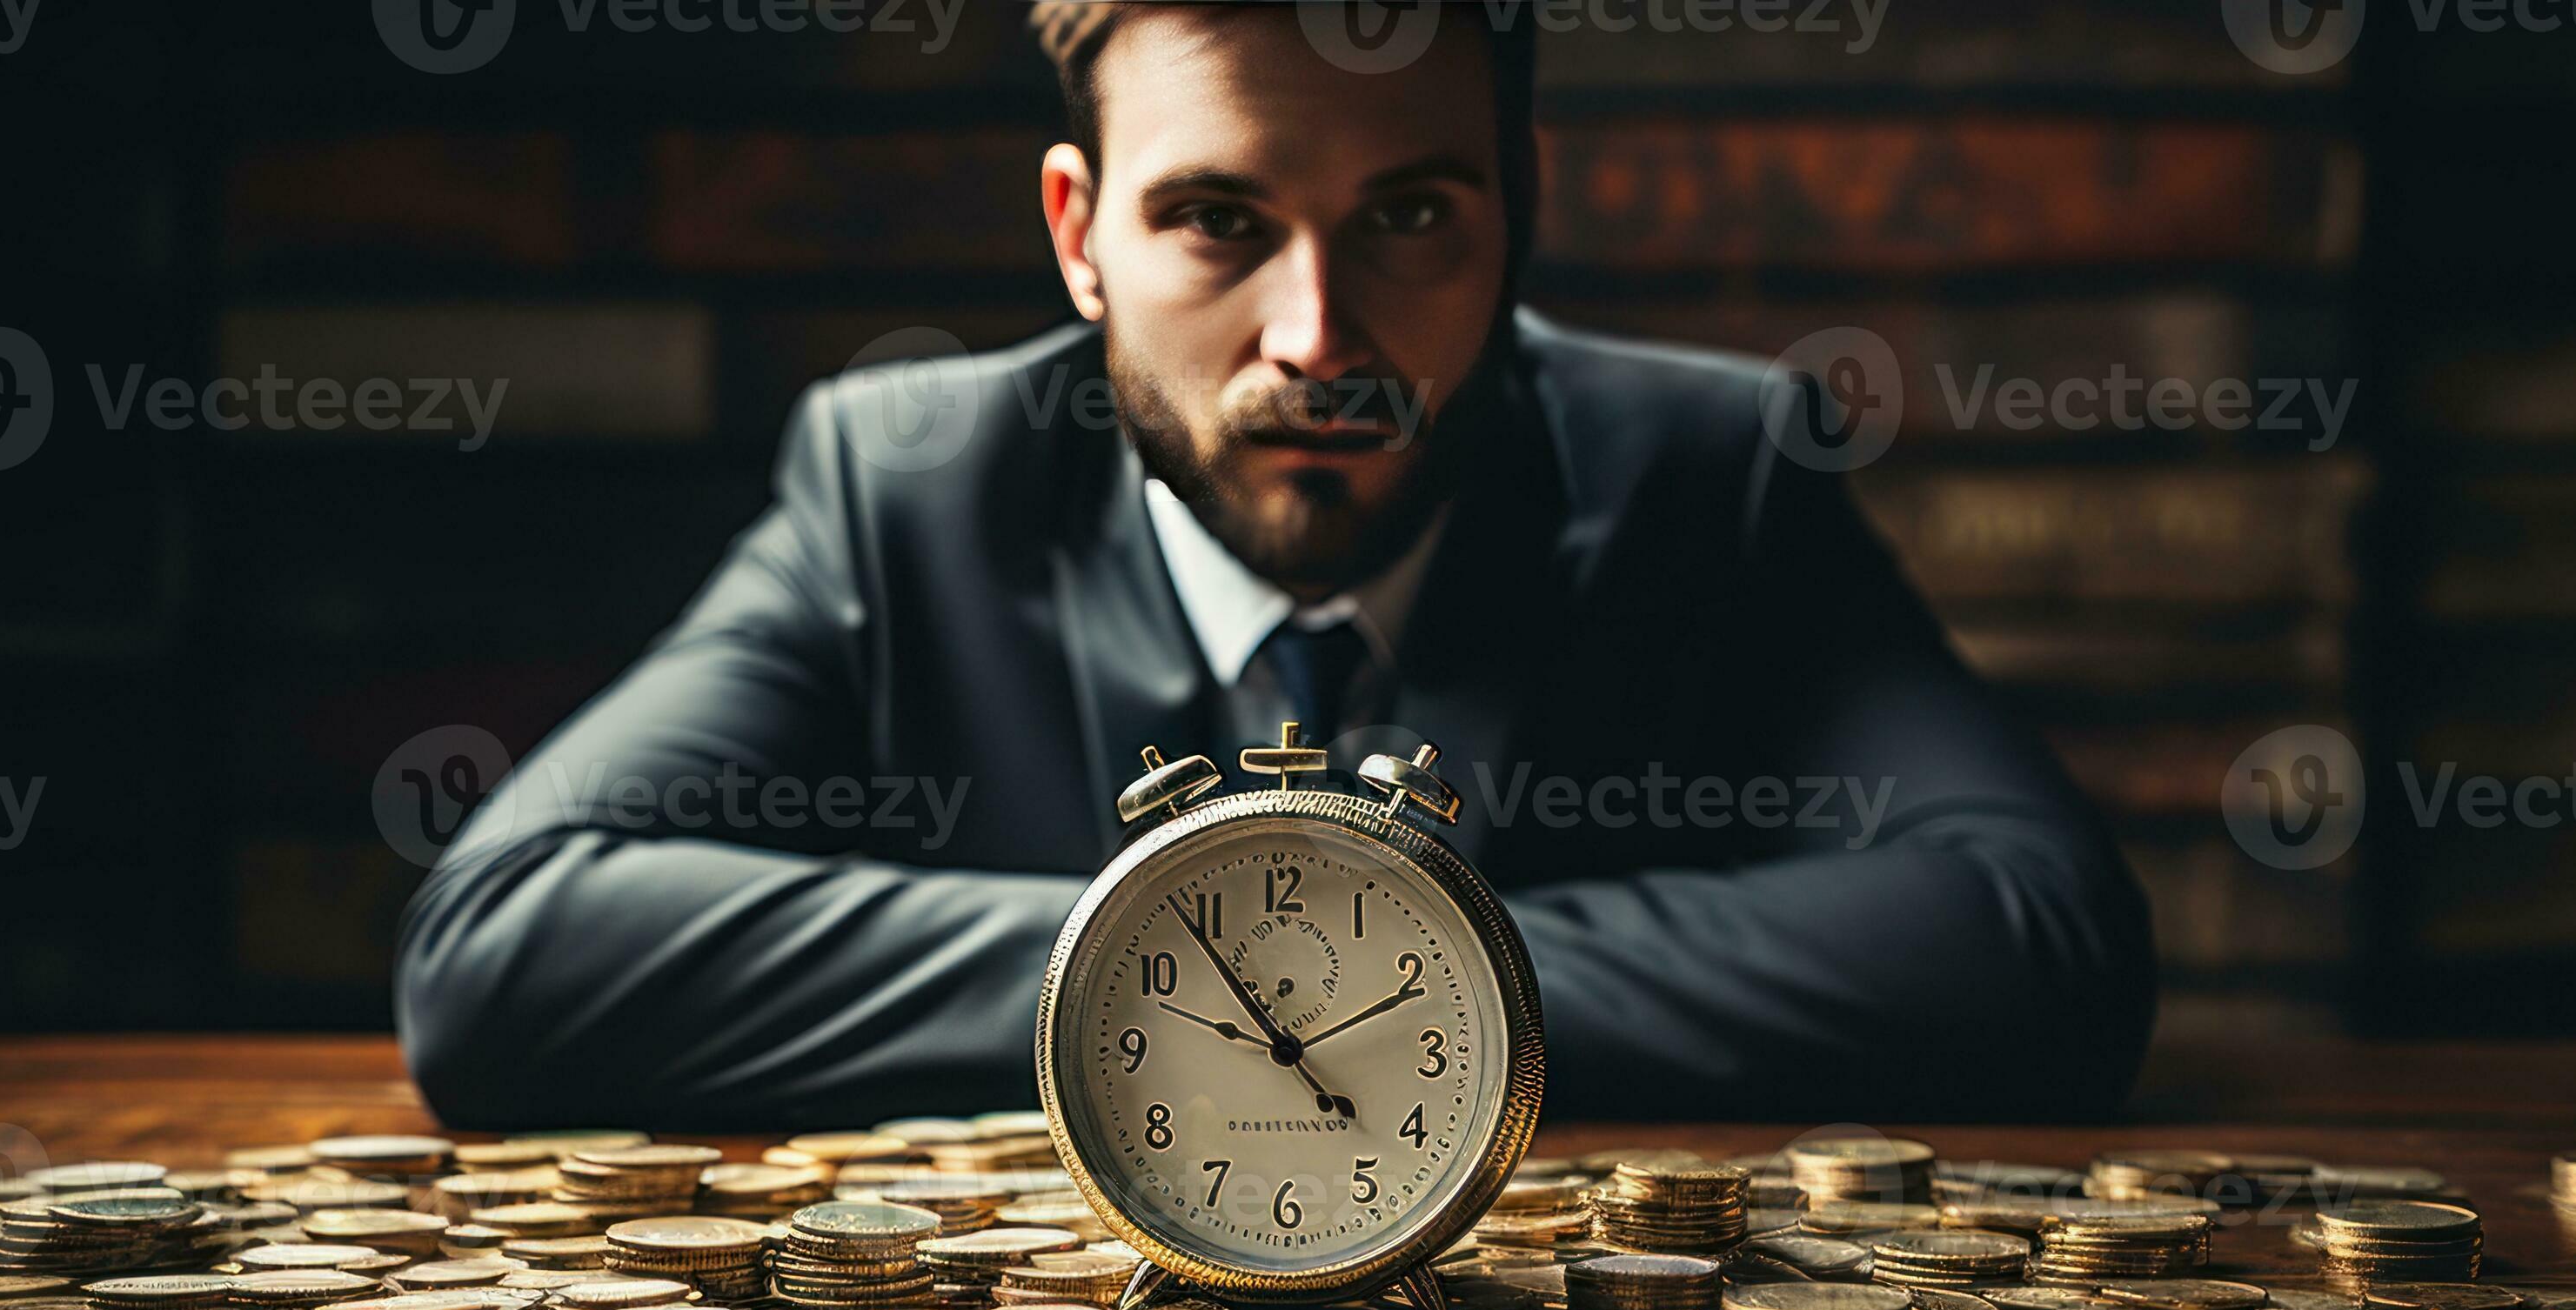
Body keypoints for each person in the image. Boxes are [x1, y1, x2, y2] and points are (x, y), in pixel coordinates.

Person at [394, 1, 2154, 1130]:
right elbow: (500, 952)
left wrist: (1231, 978)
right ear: (1080, 234)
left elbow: (2038, 942)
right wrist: (1280, 974)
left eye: (1411, 216)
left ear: (1519, 209)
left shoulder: (1711, 473)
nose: (1317, 338)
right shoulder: (904, 486)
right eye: (1217, 220)